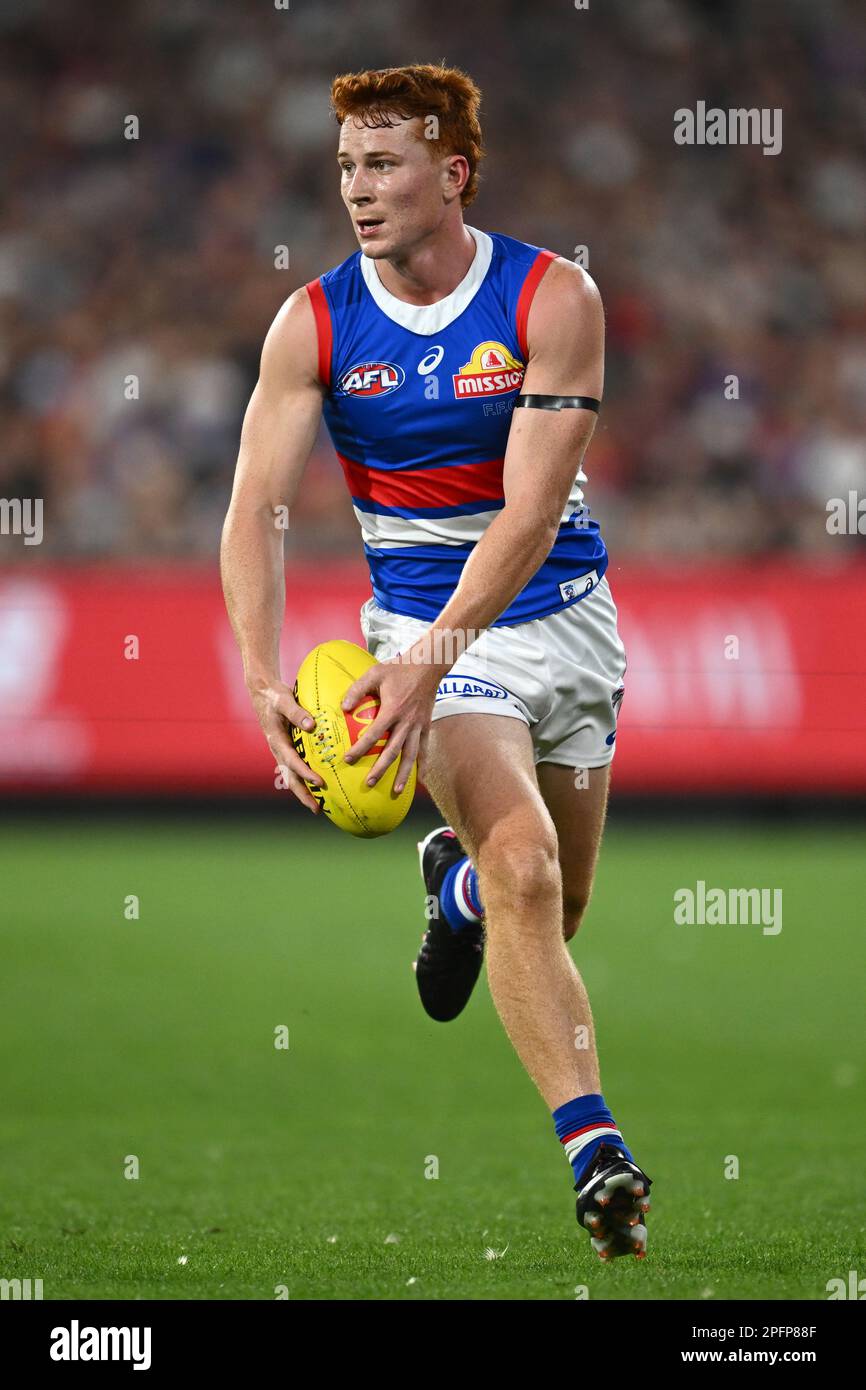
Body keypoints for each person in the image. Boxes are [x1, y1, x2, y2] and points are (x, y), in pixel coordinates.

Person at [221, 62, 651, 1259]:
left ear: (449, 174)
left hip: (559, 618)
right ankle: (593, 1148)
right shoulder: (311, 322)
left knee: (554, 902)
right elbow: (254, 505)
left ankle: (448, 887)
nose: (357, 189)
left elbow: (524, 516)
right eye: (346, 167)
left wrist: (431, 661)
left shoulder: (552, 298)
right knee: (521, 866)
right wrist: (260, 674)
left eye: (384, 164)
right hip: (421, 635)